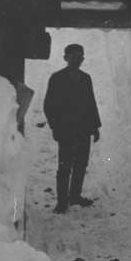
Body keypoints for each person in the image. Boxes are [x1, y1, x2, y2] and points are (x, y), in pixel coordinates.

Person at [42, 44, 101, 214]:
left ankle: (75, 196)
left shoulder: (86, 78)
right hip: (65, 131)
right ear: (65, 58)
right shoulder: (56, 78)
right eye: (72, 57)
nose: (76, 61)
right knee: (65, 166)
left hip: (83, 130)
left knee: (81, 164)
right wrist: (55, 127)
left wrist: (95, 128)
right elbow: (48, 106)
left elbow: (91, 103)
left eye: (79, 58)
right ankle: (62, 201)